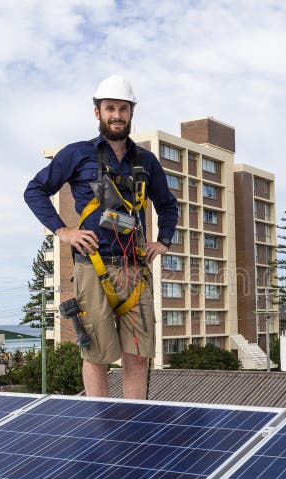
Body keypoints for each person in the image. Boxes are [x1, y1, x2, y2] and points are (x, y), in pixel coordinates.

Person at [24, 75, 178, 399]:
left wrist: (164, 241)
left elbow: (167, 205)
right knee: (96, 356)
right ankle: (101, 429)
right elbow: (35, 190)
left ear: (131, 113)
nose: (117, 115)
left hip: (135, 271)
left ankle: (134, 426)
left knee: (138, 356)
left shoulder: (147, 162)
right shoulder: (76, 154)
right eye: (110, 108)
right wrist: (63, 231)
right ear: (98, 113)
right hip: (92, 268)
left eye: (123, 108)